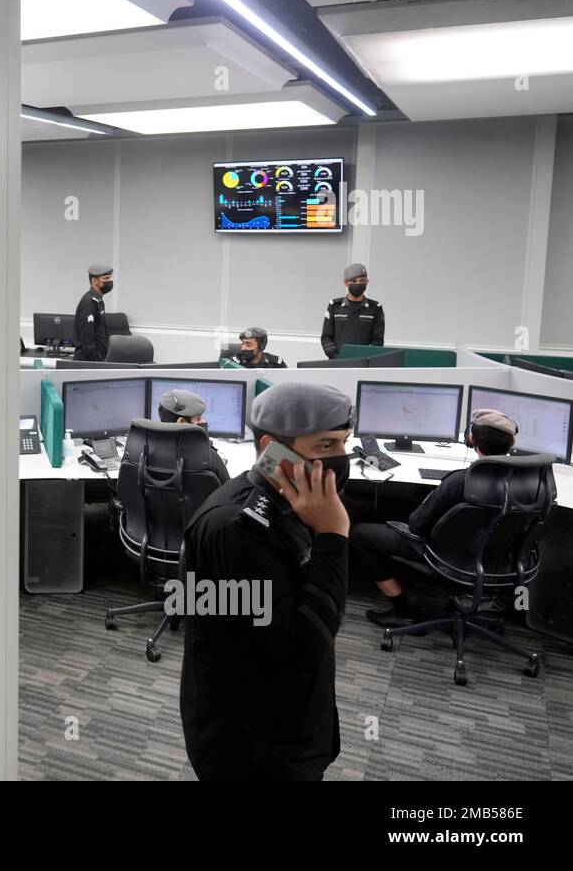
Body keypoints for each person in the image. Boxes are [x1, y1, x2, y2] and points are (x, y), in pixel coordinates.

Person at [180, 381, 353, 780]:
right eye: (325, 446)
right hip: (250, 746)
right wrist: (333, 536)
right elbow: (299, 647)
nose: (342, 459)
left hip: (292, 720)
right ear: (271, 448)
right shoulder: (236, 528)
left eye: (344, 443)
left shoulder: (297, 503)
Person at [351, 409, 518, 627]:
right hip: (497, 559)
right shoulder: (534, 483)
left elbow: (417, 525)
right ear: (512, 441)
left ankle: (404, 611)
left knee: (359, 535)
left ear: (471, 439)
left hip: (445, 557)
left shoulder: (459, 481)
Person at [157, 388, 229, 483]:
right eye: (198, 419)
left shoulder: (143, 451)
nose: (204, 422)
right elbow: (229, 495)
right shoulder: (210, 458)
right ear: (181, 422)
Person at [321, 263, 385, 359]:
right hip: (336, 362)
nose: (358, 284)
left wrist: (365, 358)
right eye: (354, 281)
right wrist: (335, 357)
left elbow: (377, 341)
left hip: (363, 364)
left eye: (362, 281)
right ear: (346, 283)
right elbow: (326, 337)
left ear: (367, 282)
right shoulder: (334, 306)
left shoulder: (375, 308)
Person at [72, 264, 113, 361]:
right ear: (94, 281)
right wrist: (95, 362)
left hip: (97, 358)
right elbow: (87, 338)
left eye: (111, 278)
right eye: (106, 278)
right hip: (88, 361)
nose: (110, 281)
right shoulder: (89, 302)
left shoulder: (97, 300)